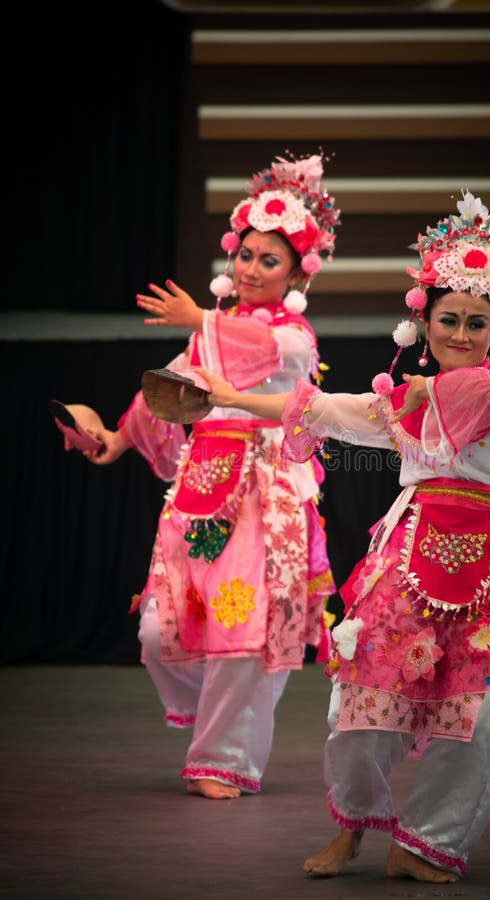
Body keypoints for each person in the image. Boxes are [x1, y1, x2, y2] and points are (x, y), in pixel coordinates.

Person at [189, 190, 490, 878]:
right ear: (423, 322)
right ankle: (355, 824)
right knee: (359, 695)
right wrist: (230, 396)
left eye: (477, 323)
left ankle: (428, 844)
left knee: (474, 715)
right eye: (448, 319)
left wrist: (418, 396)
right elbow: (320, 408)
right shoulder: (401, 400)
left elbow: (479, 394)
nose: (460, 334)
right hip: (409, 556)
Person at [81, 151, 341, 799]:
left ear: (295, 274)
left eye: (268, 260)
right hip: (203, 489)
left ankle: (224, 756)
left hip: (266, 494)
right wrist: (113, 439)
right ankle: (221, 719)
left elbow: (258, 353)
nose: (250, 269)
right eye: (245, 255)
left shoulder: (292, 338)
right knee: (156, 629)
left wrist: (202, 319)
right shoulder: (215, 331)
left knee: (243, 627)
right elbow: (173, 387)